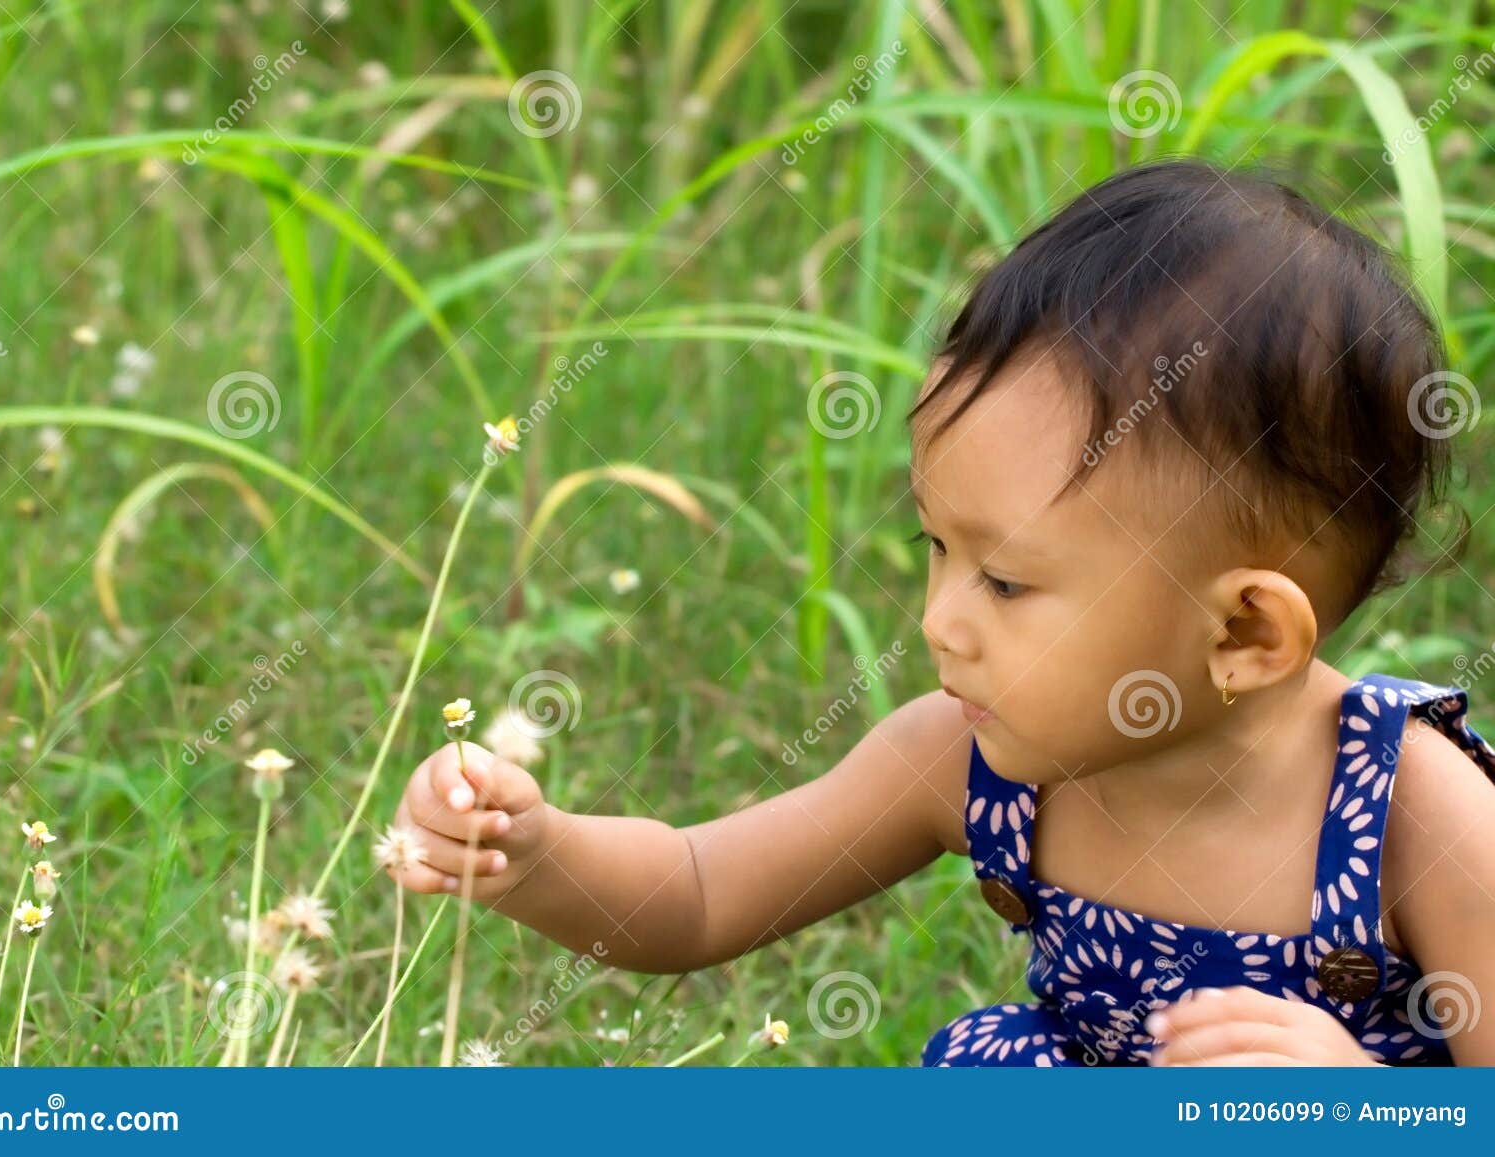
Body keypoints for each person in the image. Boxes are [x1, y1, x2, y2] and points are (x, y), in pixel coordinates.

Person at [388, 160, 1495, 1066]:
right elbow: (699, 888)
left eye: (1006, 581)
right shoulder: (964, 758)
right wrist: (537, 857)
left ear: (1244, 634)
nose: (939, 622)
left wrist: (1353, 1106)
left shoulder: (1418, 819)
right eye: (936, 548)